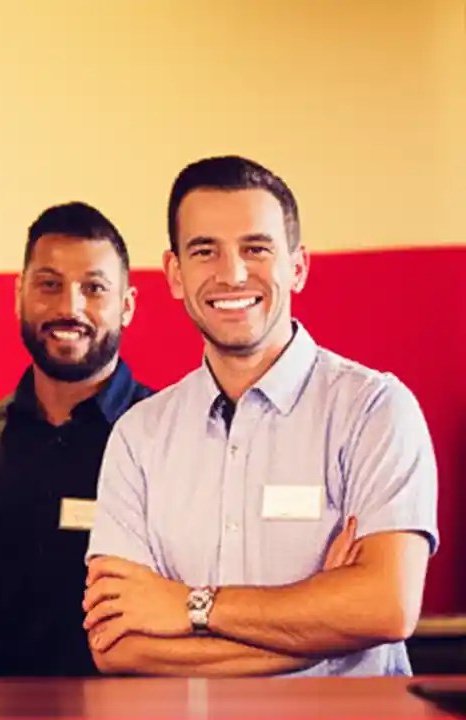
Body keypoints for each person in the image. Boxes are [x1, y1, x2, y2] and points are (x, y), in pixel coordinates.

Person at [84, 155, 438, 677]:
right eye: (205, 251)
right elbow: (118, 646)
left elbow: (386, 605)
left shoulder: (375, 410)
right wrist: (320, 626)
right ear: (175, 274)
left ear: (297, 268)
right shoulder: (139, 436)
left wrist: (186, 604)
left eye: (256, 248)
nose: (232, 273)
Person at [0, 202, 152, 677]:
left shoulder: (172, 443)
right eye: (49, 285)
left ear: (127, 304)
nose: (69, 307)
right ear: (19, 294)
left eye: (94, 288)